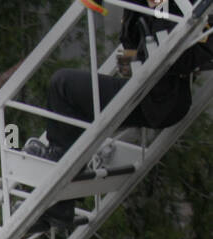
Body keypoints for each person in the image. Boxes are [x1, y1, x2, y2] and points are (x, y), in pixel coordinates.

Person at [25, 0, 211, 227]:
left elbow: (186, 54)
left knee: (62, 85)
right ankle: (57, 197)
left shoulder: (177, 7)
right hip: (148, 91)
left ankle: (59, 192)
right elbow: (131, 50)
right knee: (68, 91)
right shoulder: (139, 8)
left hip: (163, 98)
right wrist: (133, 61)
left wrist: (158, 24)